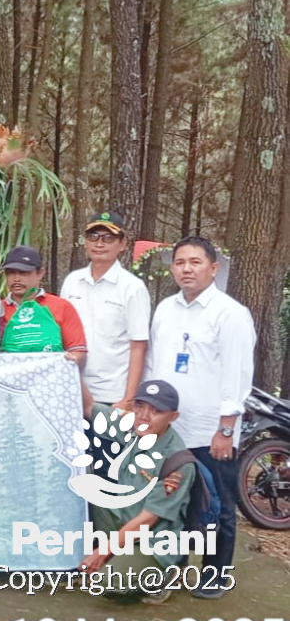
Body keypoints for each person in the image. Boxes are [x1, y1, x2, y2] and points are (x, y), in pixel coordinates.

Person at [146, 236, 255, 597]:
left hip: (212, 431)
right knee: (172, 502)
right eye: (180, 262)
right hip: (170, 429)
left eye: (195, 262)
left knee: (217, 504)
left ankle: (215, 575)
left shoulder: (230, 314)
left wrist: (226, 428)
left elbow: (238, 375)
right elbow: (154, 365)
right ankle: (171, 567)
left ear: (213, 268)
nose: (186, 269)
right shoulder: (165, 309)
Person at [79, 380, 196, 602]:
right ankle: (115, 555)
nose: (144, 415)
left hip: (152, 540)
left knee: (106, 582)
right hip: (121, 520)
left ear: (173, 417)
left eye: (156, 411)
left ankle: (161, 577)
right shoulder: (133, 427)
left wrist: (102, 551)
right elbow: (88, 406)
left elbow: (148, 519)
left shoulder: (177, 463)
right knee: (80, 490)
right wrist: (74, 363)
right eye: (140, 406)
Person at [60, 211, 151, 405]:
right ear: (85, 241)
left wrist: (128, 399)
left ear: (122, 244)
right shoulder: (72, 282)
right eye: (93, 237)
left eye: (108, 238)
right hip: (73, 388)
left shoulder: (132, 287)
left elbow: (139, 346)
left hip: (113, 395)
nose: (99, 244)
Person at [0, 245, 88, 362]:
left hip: (50, 378)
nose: (16, 279)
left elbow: (78, 351)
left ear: (40, 273)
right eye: (11, 273)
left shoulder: (62, 307)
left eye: (23, 272)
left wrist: (72, 361)